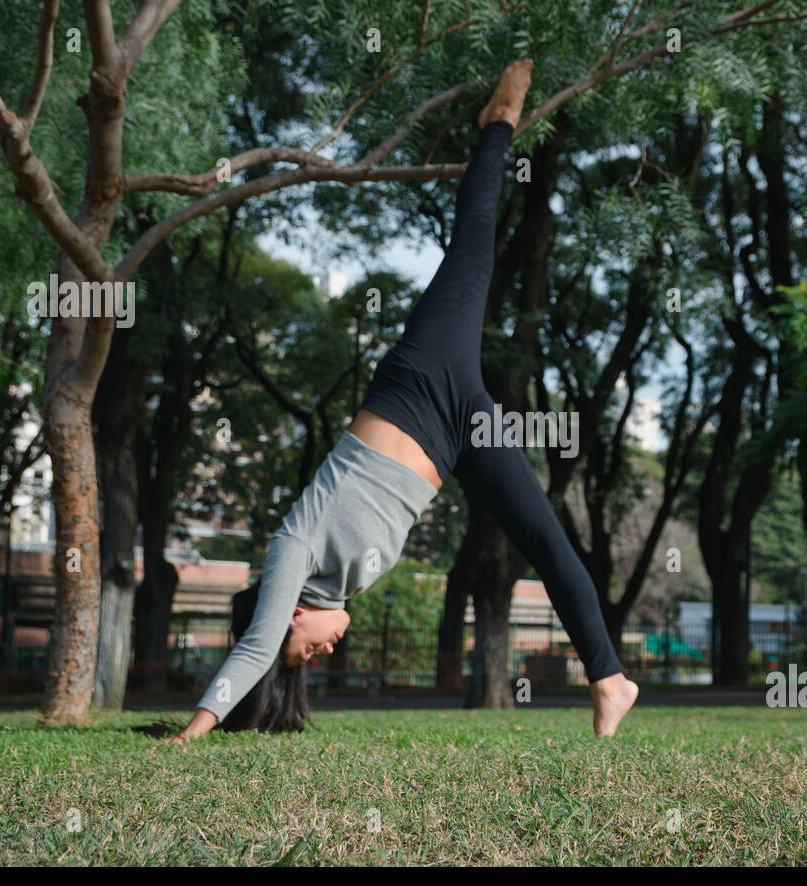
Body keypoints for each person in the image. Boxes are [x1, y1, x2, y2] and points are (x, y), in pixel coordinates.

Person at [165, 59, 639, 742]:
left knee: (473, 251)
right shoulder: (338, 589)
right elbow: (276, 647)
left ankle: (498, 123)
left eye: (306, 651)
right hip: (456, 436)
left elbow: (255, 648)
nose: (323, 654)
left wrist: (193, 732)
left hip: (421, 381)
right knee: (544, 536)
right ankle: (611, 679)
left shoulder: (292, 551)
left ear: (288, 617)